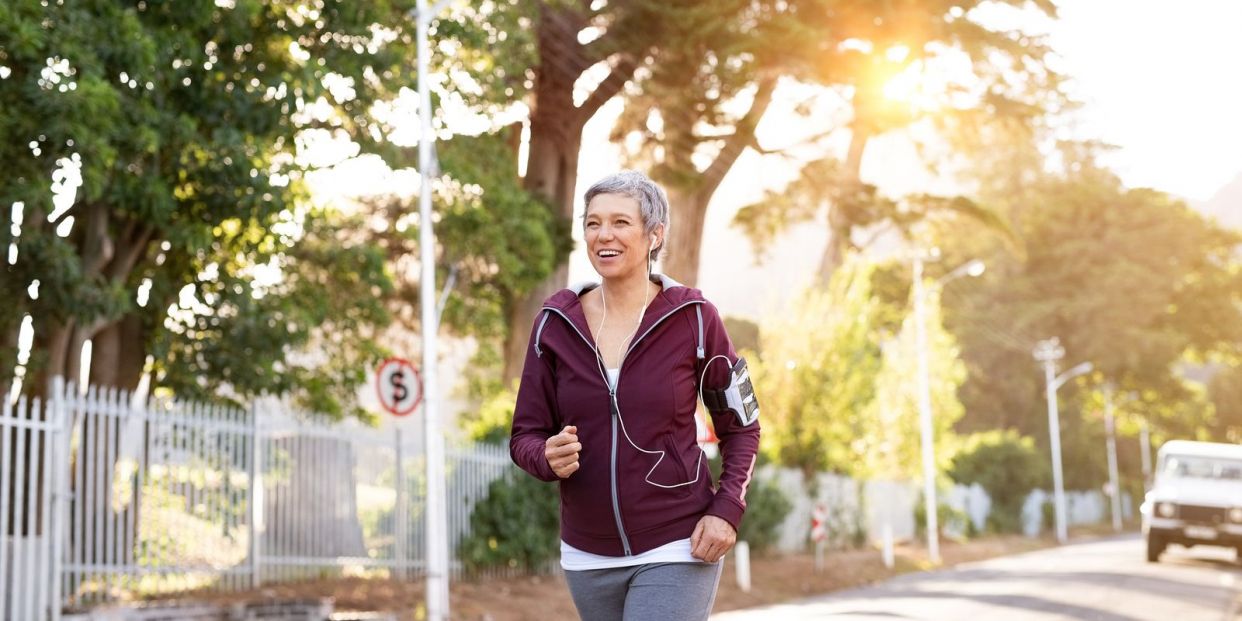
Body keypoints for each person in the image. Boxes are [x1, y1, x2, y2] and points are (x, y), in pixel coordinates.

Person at [509, 170, 762, 621]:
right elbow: (524, 434)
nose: (603, 235)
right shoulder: (554, 323)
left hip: (678, 542)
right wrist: (545, 456)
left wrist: (726, 509)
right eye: (592, 223)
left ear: (654, 234)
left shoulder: (695, 318)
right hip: (587, 553)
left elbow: (742, 427)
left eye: (620, 222)